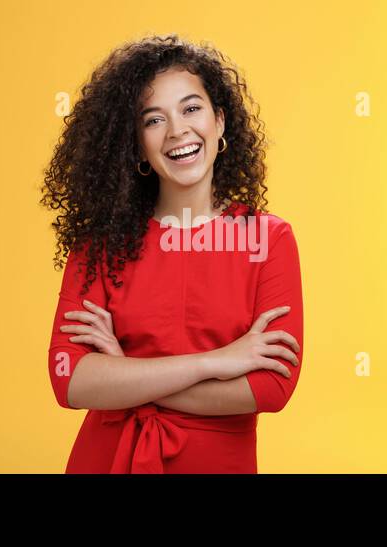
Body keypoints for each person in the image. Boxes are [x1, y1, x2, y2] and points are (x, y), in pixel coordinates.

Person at [41, 34, 304, 473]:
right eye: (153, 119)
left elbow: (270, 389)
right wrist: (215, 362)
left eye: (191, 108)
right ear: (137, 145)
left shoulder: (268, 239)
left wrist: (124, 372)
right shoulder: (100, 244)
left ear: (220, 122)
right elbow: (69, 379)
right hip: (106, 460)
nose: (177, 130)